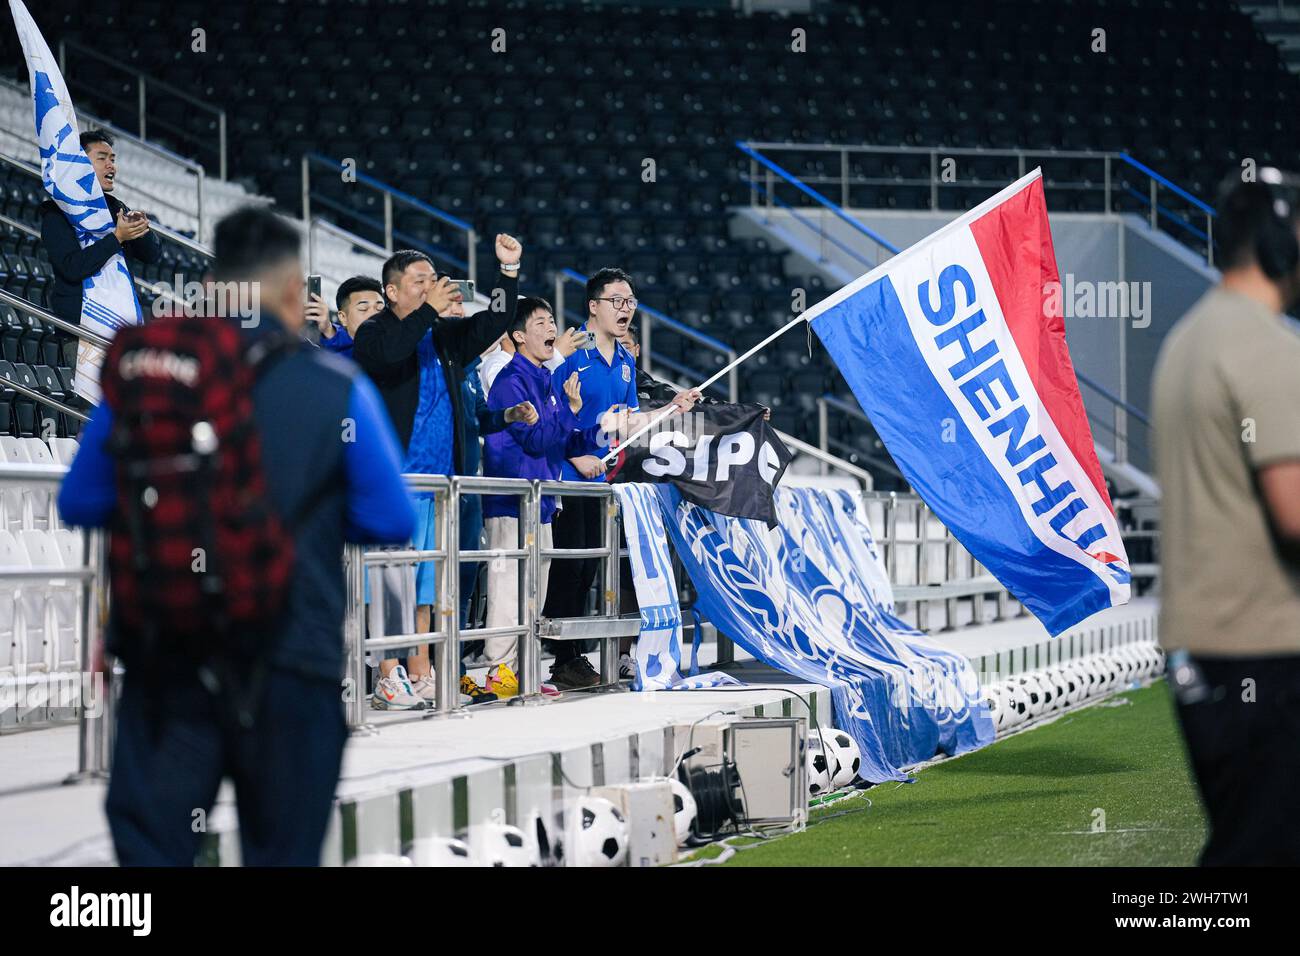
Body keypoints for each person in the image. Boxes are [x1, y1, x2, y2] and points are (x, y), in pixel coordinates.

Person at [57, 206, 417, 866]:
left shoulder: (149, 376)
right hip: (291, 657)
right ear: (291, 290)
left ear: (215, 280)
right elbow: (394, 519)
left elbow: (80, 500)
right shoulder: (333, 385)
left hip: (168, 658)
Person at [1152, 169, 1300, 865]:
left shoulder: (1186, 342)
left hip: (1200, 652)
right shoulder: (1267, 347)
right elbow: (1294, 514)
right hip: (1263, 654)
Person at [352, 239, 522, 707]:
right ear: (391, 291)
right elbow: (391, 354)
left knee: (427, 585)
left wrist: (507, 272)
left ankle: (422, 670)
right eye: (418, 282)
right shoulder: (374, 332)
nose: (431, 288)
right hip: (395, 481)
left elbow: (496, 321)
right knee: (391, 583)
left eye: (433, 279)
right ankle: (389, 675)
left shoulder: (444, 336)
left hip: (440, 484)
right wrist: (428, 309)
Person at [480, 297, 591, 696]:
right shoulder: (511, 381)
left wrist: (584, 421)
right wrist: (570, 410)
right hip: (511, 500)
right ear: (519, 335)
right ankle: (498, 671)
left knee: (534, 592)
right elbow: (538, 438)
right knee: (508, 589)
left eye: (551, 322)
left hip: (540, 502)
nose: (551, 330)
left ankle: (525, 670)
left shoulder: (545, 381)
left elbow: (558, 443)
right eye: (541, 322)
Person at [40, 129, 160, 357]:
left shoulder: (116, 208)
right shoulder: (56, 214)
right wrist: (117, 238)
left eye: (113, 160)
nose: (111, 166)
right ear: (81, 165)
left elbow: (153, 255)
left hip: (119, 330)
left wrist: (143, 230)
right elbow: (72, 268)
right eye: (102, 158)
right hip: (80, 332)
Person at [305, 276, 386, 360]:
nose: (374, 314)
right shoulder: (336, 364)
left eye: (380, 308)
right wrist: (328, 330)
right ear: (343, 317)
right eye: (363, 308)